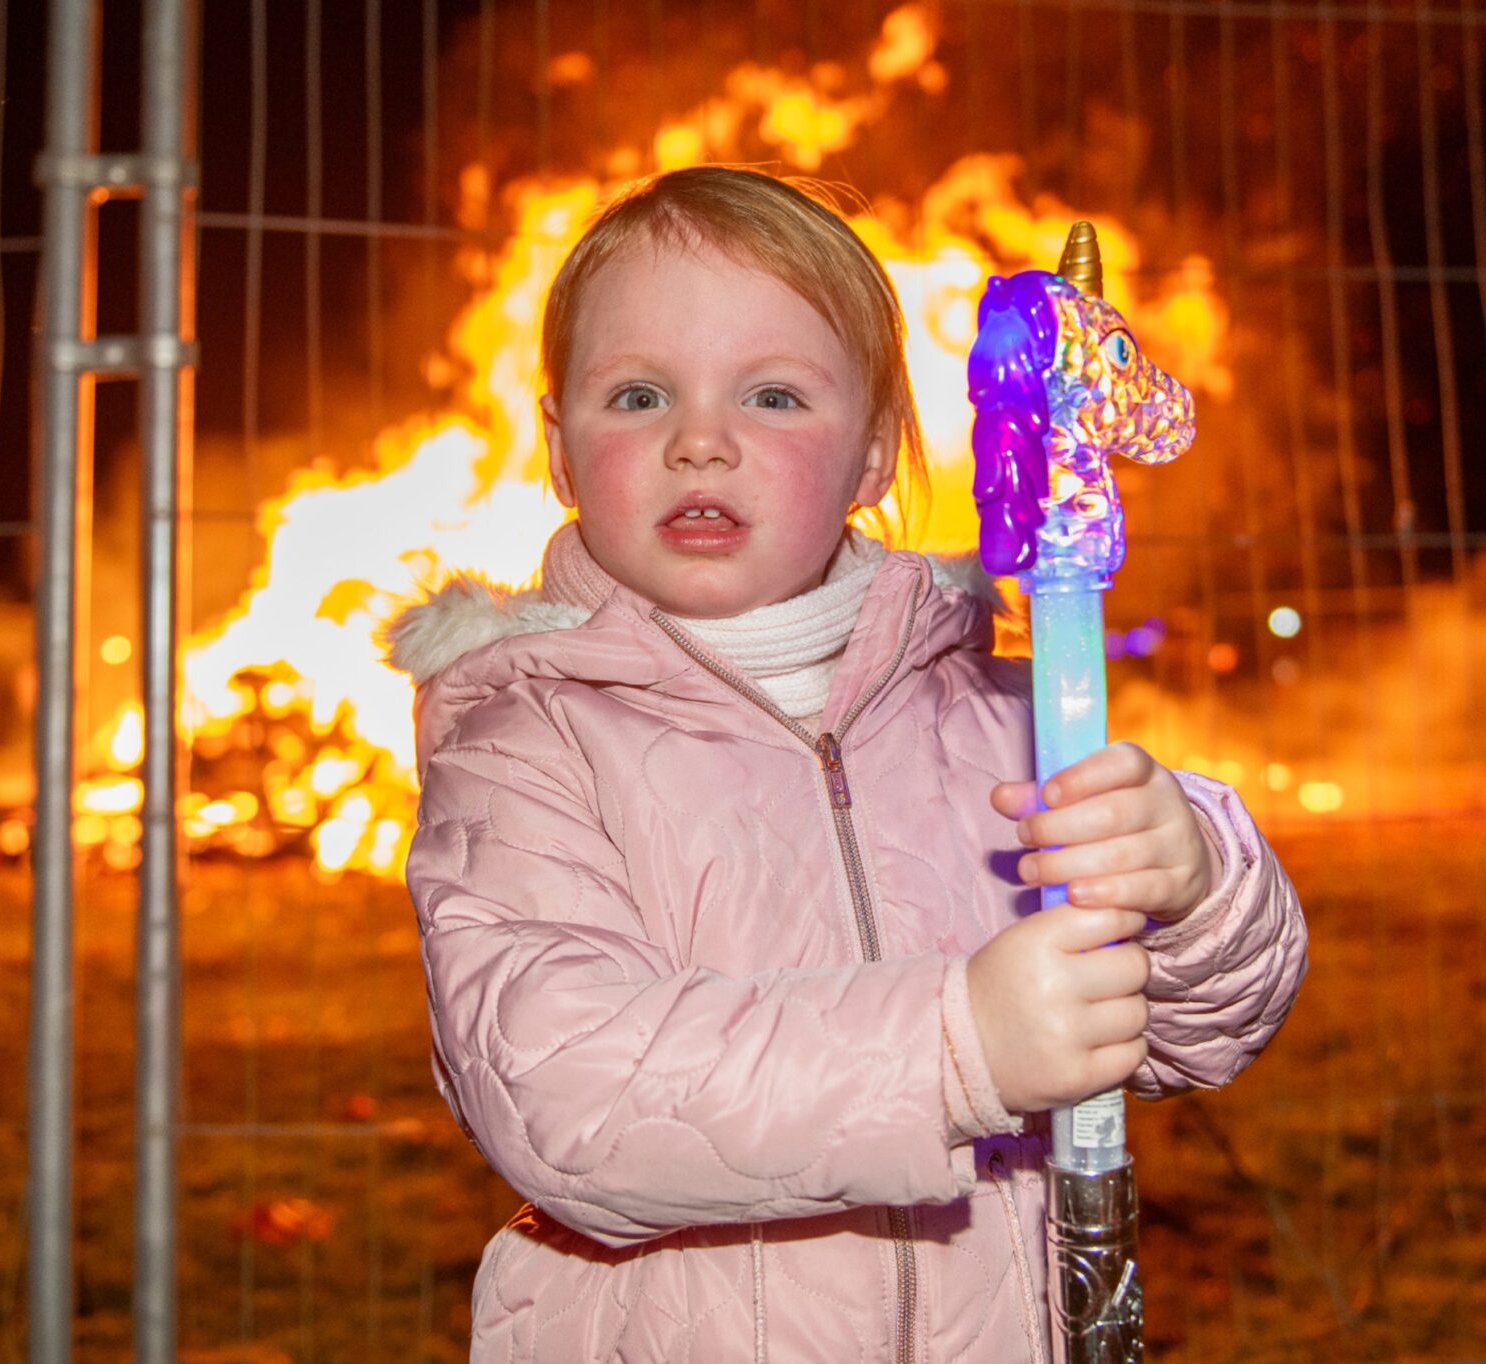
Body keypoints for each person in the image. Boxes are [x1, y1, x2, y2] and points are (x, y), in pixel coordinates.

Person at [384, 165, 1307, 1362]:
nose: (699, 440)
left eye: (770, 394)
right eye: (638, 394)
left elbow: (1201, 1027)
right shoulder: (523, 746)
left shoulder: (998, 720)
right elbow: (571, 1092)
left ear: (874, 454)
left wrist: (1193, 889)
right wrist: (954, 1045)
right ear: (559, 450)